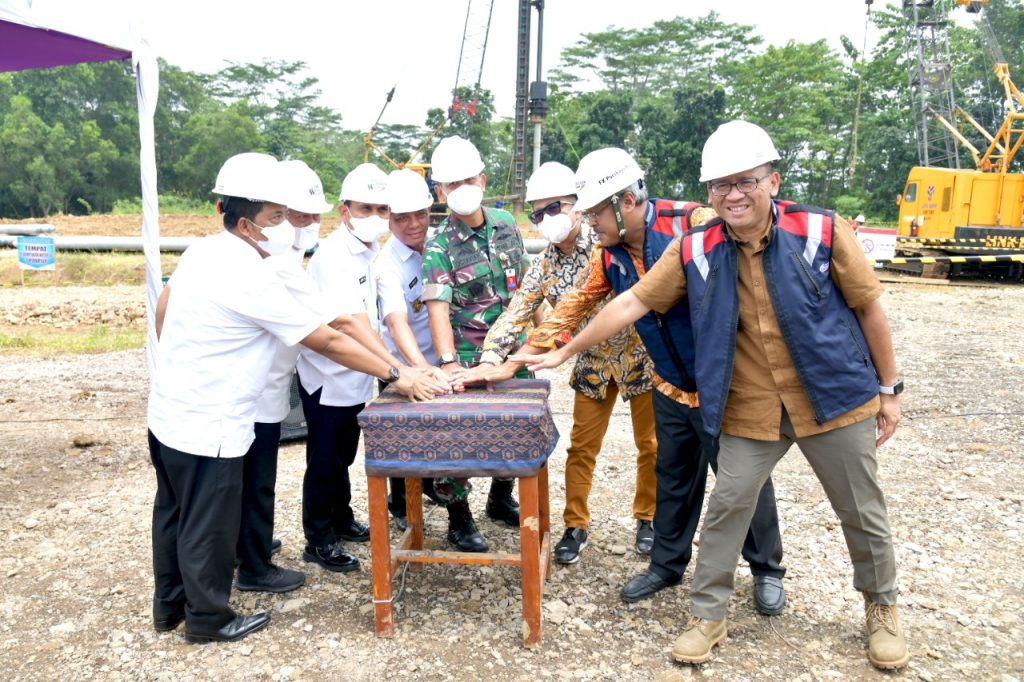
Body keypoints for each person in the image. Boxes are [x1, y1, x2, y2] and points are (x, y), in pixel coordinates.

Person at [533, 121, 909, 669]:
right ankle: (708, 615)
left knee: (861, 507)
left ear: (772, 182)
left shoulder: (821, 232)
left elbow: (870, 308)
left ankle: (881, 607)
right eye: (720, 185)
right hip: (750, 402)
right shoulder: (695, 248)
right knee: (728, 506)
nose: (733, 195)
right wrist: (562, 350)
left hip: (833, 396)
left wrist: (888, 390)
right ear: (709, 192)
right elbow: (629, 304)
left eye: (745, 182)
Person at [149, 153, 439, 644]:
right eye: (277, 217)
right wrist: (395, 374)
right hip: (212, 419)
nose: (289, 227)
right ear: (246, 222)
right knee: (209, 521)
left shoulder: (206, 250)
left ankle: (170, 606)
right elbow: (326, 338)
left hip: (172, 407)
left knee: (174, 511)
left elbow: (166, 307)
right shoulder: (257, 274)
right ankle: (207, 618)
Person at [509, 148, 787, 613]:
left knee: (744, 481)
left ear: (627, 201)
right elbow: (573, 306)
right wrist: (523, 353)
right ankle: (666, 563)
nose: (590, 222)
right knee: (673, 477)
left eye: (596, 212)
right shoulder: (608, 255)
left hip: (727, 385)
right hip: (669, 383)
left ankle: (766, 570)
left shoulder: (693, 221)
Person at [461, 161, 658, 564]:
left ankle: (648, 518)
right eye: (537, 214)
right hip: (592, 363)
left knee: (651, 446)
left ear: (578, 205)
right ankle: (576, 525)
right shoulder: (546, 263)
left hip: (641, 357)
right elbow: (517, 309)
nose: (546, 220)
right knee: (581, 449)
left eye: (554, 208)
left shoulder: (609, 242)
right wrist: (491, 358)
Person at [296, 163, 436, 572]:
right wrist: (395, 368)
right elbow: (349, 322)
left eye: (380, 208)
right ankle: (319, 538)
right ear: (343, 211)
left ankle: (341, 518)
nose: (374, 217)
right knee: (325, 459)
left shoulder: (371, 251)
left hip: (358, 375)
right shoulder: (334, 256)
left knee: (344, 454)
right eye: (364, 208)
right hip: (329, 376)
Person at [229, 159, 333, 595]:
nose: (307, 224)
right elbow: (331, 329)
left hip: (257, 389)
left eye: (313, 216)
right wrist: (393, 370)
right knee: (256, 483)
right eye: (292, 215)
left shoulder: (278, 256)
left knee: (248, 481)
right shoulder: (278, 265)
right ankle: (254, 566)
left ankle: (246, 546)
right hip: (256, 394)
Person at [420, 136, 529, 549]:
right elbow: (437, 310)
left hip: (514, 350)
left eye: (468, 178)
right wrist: (449, 363)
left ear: (482, 179)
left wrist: (543, 335)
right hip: (466, 356)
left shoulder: (505, 223)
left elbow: (526, 285)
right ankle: (459, 516)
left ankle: (501, 500)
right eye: (451, 184)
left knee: (515, 432)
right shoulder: (439, 244)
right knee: (459, 438)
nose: (461, 188)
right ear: (439, 192)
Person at [375, 168, 476, 546]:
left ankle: (457, 516)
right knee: (402, 443)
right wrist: (419, 369)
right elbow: (397, 322)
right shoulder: (388, 263)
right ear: (389, 216)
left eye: (420, 214)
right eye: (402, 218)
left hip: (446, 357)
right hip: (405, 363)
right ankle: (403, 503)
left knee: (452, 436)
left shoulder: (441, 243)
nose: (413, 225)